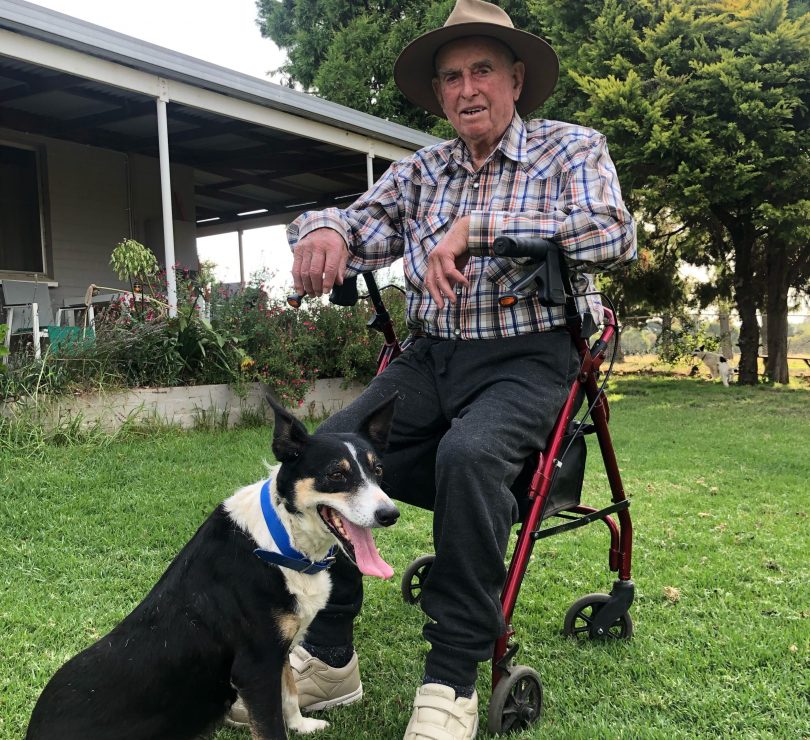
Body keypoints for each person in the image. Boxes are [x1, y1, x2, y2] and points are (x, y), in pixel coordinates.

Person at [287, 1, 636, 737]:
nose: (467, 88)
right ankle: (328, 656)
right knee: (325, 458)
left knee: (471, 455)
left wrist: (482, 231)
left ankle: (451, 682)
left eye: (483, 70)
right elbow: (358, 223)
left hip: (533, 352)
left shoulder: (570, 150)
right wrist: (320, 226)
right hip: (431, 356)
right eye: (452, 76)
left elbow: (612, 234)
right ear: (439, 92)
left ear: (516, 79)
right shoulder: (422, 169)